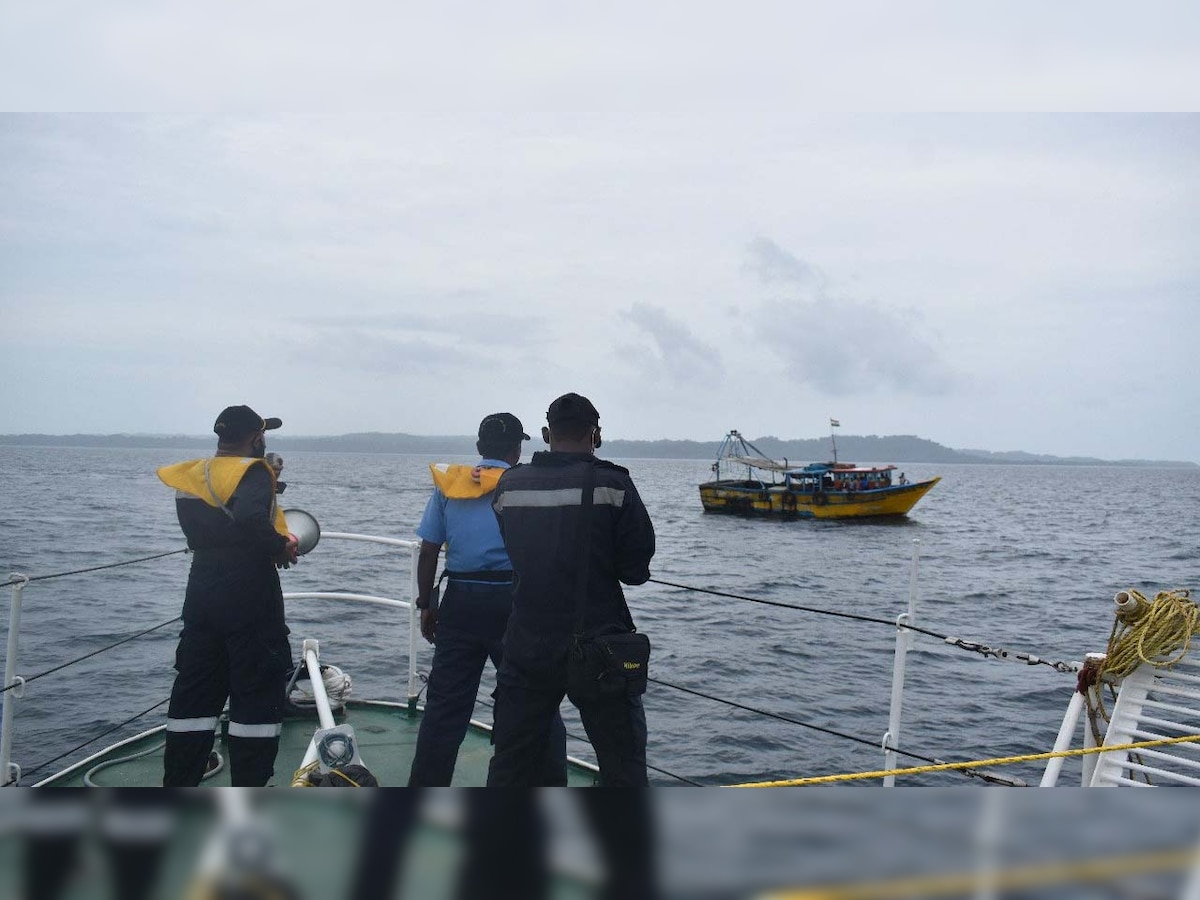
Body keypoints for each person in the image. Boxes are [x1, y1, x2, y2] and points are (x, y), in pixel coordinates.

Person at [486, 393, 656, 787]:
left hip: (527, 644)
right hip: (598, 646)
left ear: (546, 434)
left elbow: (514, 548)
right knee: (622, 764)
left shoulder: (510, 486)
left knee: (511, 761)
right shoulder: (615, 485)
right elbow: (635, 571)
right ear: (595, 435)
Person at [407, 412, 567, 786]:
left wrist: (427, 604)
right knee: (534, 700)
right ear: (517, 449)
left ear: (479, 448)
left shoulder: (449, 486)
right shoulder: (527, 484)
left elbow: (429, 550)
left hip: (461, 602)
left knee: (445, 706)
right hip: (515, 604)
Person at [156, 405, 298, 786]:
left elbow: (215, 522)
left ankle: (180, 780)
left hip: (202, 587)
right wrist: (279, 546)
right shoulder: (254, 472)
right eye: (263, 435)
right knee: (255, 691)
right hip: (248, 591)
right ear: (255, 439)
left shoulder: (196, 474)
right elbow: (251, 519)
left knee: (195, 692)